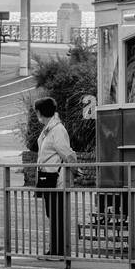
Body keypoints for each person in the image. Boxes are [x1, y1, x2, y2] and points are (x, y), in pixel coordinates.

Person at [34, 96, 76, 256]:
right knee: (52, 214)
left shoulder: (57, 130)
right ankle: (55, 248)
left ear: (39, 112)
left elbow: (66, 152)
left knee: (56, 214)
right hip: (48, 177)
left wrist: (75, 169)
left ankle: (58, 250)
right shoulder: (50, 129)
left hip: (56, 179)